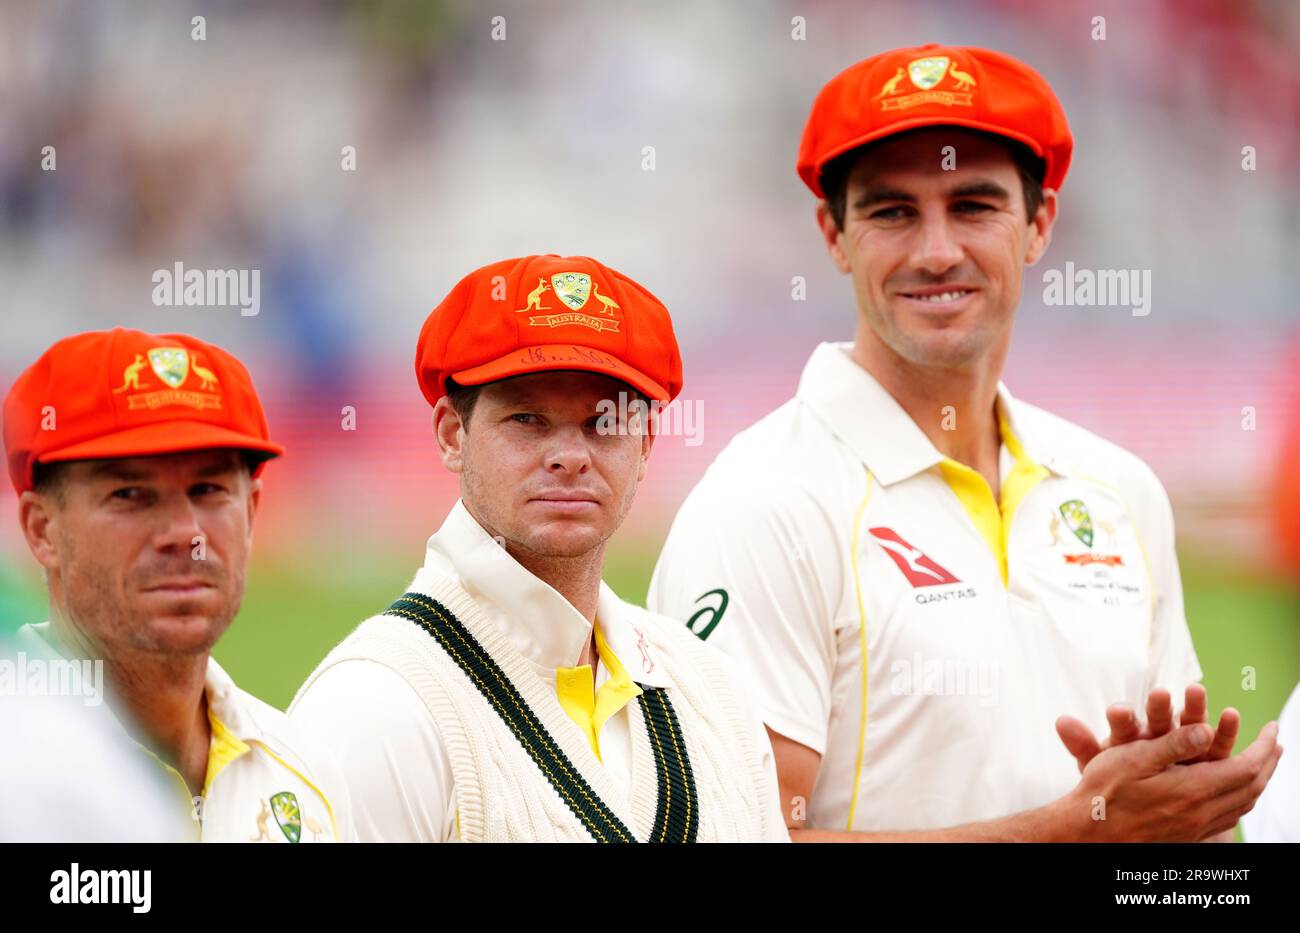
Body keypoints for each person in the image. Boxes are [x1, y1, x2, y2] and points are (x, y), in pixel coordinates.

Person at [648, 44, 1281, 840]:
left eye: (974, 205)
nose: (937, 251)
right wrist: (1072, 830)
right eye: (892, 211)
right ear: (834, 236)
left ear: (1040, 223)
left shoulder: (1117, 491)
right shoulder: (763, 502)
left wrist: (1194, 830)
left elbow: (1160, 846)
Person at [291, 255, 787, 842]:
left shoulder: (711, 690)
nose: (570, 454)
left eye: (605, 420)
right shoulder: (375, 707)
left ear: (646, 443)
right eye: (526, 418)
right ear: (453, 435)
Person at [4, 327, 353, 843]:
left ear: (252, 512)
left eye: (208, 489)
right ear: (41, 529)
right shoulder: (18, 770)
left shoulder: (303, 770)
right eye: (130, 494)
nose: (185, 533)